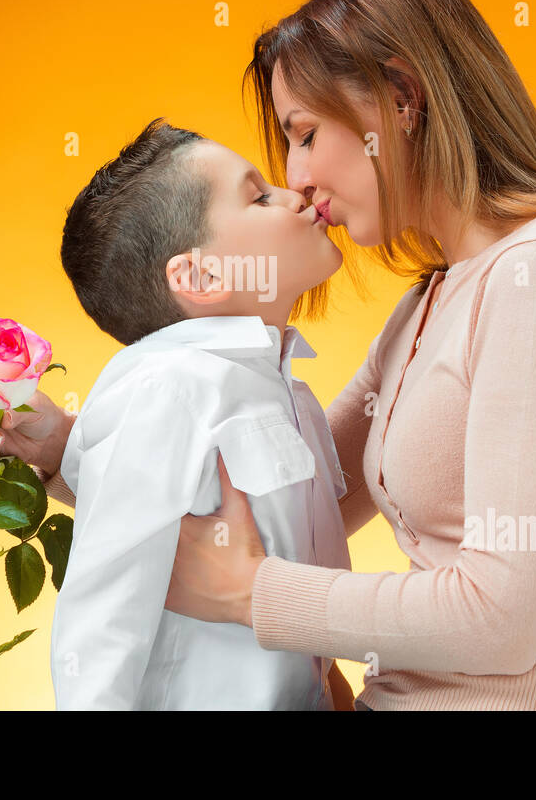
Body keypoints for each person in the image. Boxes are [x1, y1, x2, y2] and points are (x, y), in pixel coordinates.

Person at [0, 0, 536, 710]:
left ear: (401, 97)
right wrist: (64, 451)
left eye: (303, 134)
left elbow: (502, 617)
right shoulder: (428, 306)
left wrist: (252, 595)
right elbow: (290, 498)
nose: (295, 179)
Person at [39, 116, 354, 709]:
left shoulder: (289, 394)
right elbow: (104, 611)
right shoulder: (165, 388)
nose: (295, 194)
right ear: (201, 275)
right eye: (259, 196)